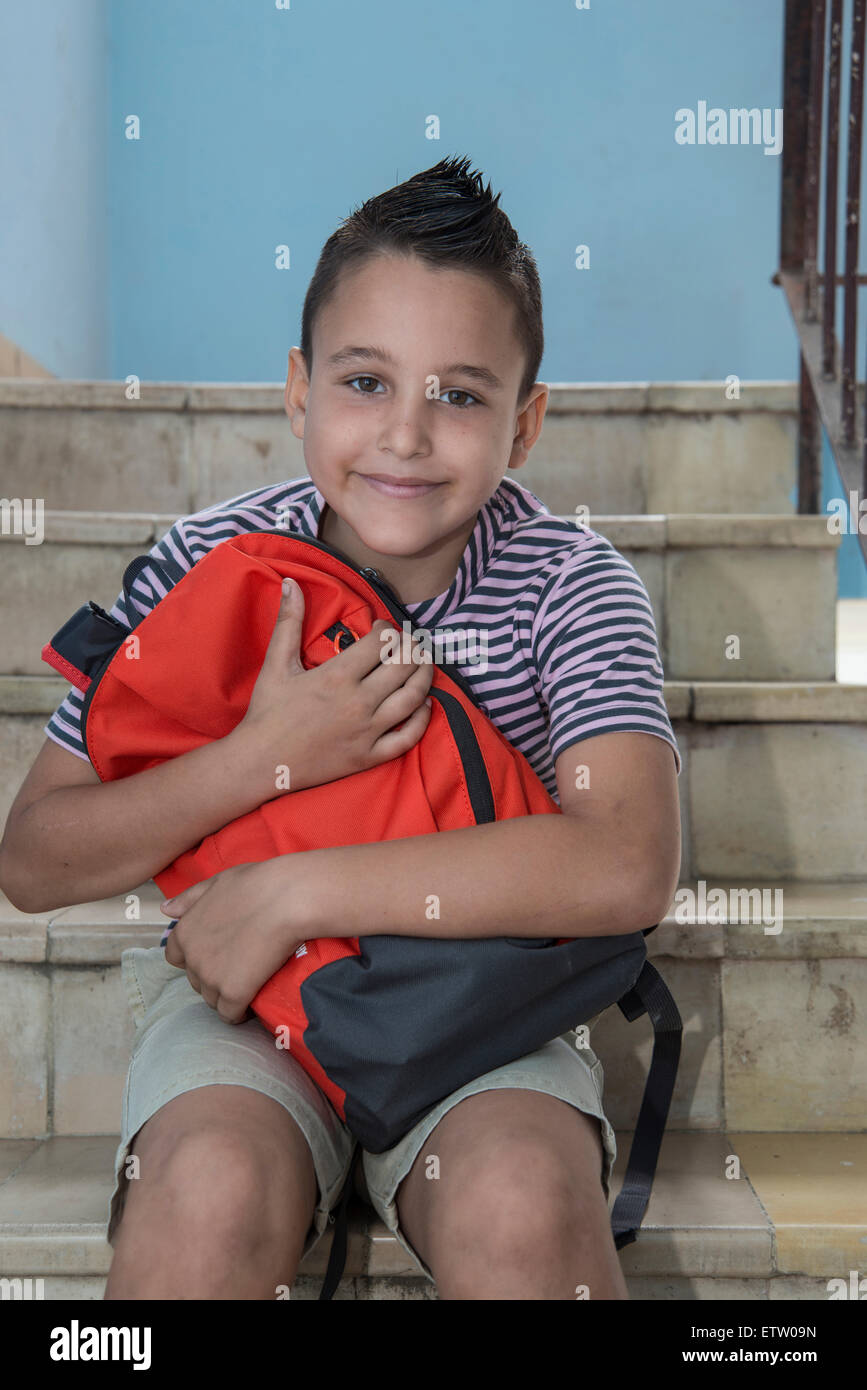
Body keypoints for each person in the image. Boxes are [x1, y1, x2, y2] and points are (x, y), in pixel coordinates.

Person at [0, 155, 682, 1300]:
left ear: (526, 424)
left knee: (521, 1201)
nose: (405, 436)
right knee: (209, 1184)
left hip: (484, 1008)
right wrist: (269, 756)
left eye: (460, 394)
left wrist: (294, 887)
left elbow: (623, 865)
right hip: (248, 1001)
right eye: (365, 381)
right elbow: (34, 857)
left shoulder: (573, 585)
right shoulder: (208, 566)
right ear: (297, 388)